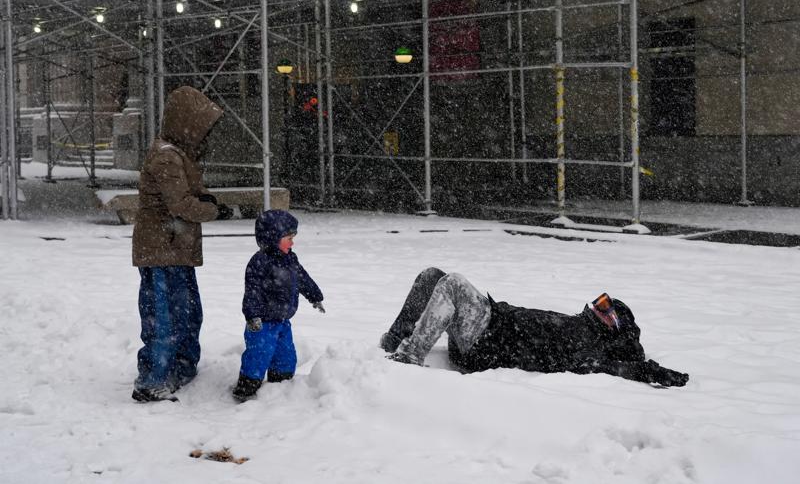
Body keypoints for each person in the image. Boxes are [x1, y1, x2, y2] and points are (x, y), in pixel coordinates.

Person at [380, 268, 689, 387]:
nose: (598, 305)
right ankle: (391, 342)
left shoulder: (591, 349)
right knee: (433, 275)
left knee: (453, 283)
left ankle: (409, 358)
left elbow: (614, 368)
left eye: (606, 307)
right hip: (490, 323)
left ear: (613, 325)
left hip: (487, 340)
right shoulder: (577, 324)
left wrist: (652, 371)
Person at [131, 86, 233, 403]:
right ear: (186, 123)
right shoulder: (166, 157)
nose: (204, 137)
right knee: (165, 318)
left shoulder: (177, 154)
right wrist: (213, 210)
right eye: (201, 128)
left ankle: (181, 366)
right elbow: (180, 204)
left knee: (187, 313)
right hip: (162, 251)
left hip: (175, 249)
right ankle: (154, 378)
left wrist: (205, 200)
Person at [232, 209, 325, 402]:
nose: (292, 242)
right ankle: (246, 388)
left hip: (282, 320)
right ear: (273, 238)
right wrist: (252, 315)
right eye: (288, 238)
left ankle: (281, 384)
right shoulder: (259, 262)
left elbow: (302, 279)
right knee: (258, 355)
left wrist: (315, 296)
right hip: (262, 323)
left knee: (286, 355)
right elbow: (253, 291)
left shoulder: (290, 258)